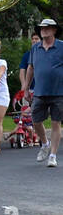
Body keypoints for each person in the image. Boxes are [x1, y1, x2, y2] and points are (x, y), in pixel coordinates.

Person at [24, 18, 63, 167]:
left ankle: (52, 156)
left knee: (55, 123)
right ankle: (45, 144)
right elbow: (31, 68)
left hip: (59, 91)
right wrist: (26, 88)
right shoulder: (35, 48)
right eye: (41, 28)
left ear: (54, 30)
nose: (43, 30)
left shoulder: (61, 46)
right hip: (40, 91)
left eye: (47, 28)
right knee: (35, 119)